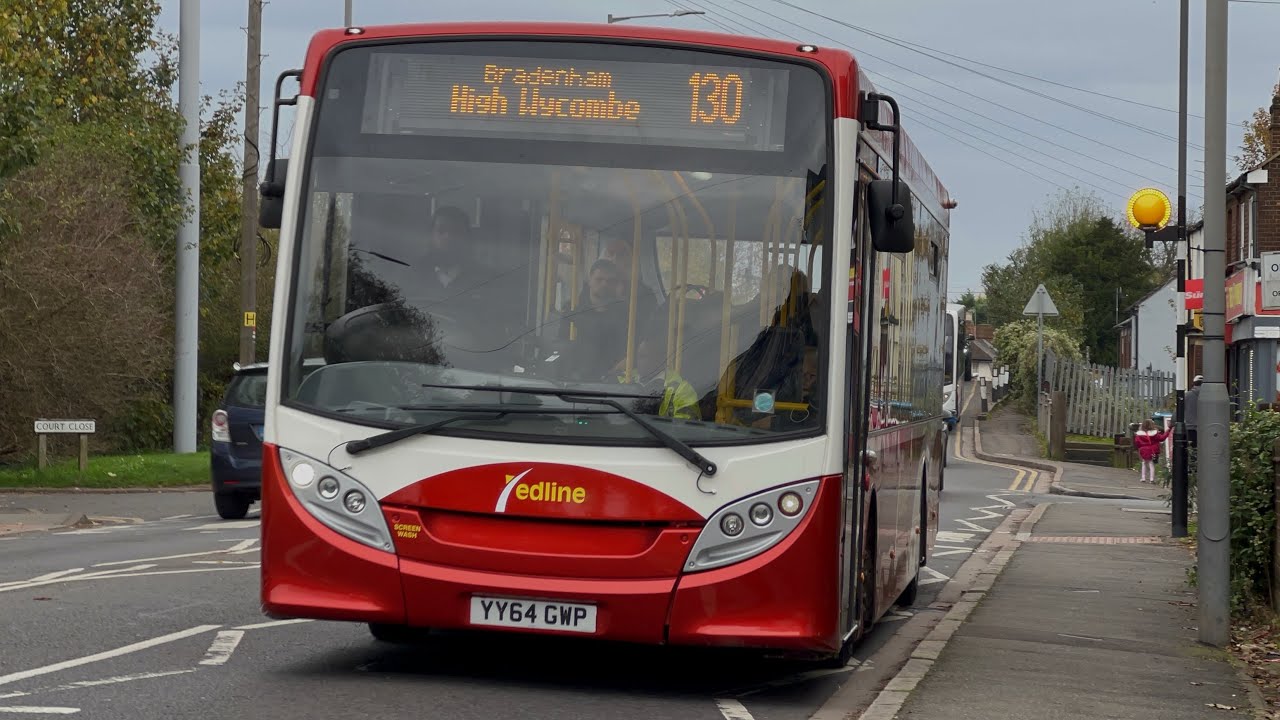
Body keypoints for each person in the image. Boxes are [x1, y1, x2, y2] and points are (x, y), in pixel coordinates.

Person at [1133, 419, 1172, 484]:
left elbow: (1137, 443)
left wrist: (1140, 448)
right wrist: (1168, 431)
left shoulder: (1139, 434)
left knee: (1144, 463)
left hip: (1143, 450)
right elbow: (1162, 438)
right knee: (1151, 464)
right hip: (1152, 450)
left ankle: (1143, 478)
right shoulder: (1154, 434)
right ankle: (1152, 479)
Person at [1184, 374, 1201, 449]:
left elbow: (1179, 410)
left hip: (1190, 427)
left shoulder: (1187, 395)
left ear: (1193, 383)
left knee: (1192, 449)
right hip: (1205, 427)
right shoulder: (1209, 396)